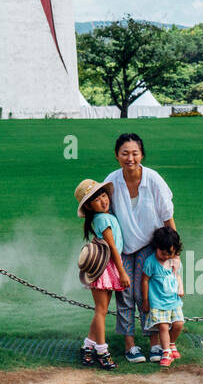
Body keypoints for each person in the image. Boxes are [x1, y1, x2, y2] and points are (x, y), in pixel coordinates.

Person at [103, 133, 176, 363]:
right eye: (125, 153)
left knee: (147, 294)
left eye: (135, 153)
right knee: (125, 295)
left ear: (142, 155)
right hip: (122, 247)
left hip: (150, 245)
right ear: (117, 155)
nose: (130, 158)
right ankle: (130, 344)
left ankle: (154, 343)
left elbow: (167, 216)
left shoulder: (153, 179)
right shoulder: (111, 181)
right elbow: (101, 212)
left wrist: (174, 253)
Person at [74, 178, 129, 370]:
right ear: (89, 206)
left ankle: (88, 346)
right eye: (97, 200)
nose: (103, 200)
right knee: (101, 310)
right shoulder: (103, 219)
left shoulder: (105, 216)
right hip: (106, 268)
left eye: (104, 195)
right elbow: (112, 247)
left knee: (101, 310)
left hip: (108, 267)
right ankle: (102, 351)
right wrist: (122, 272)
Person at [140, 225, 185, 368]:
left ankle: (171, 344)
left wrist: (181, 288)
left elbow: (177, 275)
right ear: (156, 247)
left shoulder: (174, 262)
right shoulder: (151, 262)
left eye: (169, 253)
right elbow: (145, 280)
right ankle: (166, 352)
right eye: (162, 253)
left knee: (178, 324)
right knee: (164, 327)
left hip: (173, 301)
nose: (166, 256)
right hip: (158, 302)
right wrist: (146, 300)